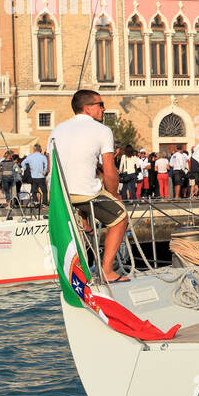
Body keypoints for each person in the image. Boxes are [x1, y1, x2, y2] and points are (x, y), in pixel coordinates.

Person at [48, 89, 129, 283]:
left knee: (85, 202)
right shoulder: (102, 130)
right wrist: (115, 195)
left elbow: (52, 165)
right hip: (84, 194)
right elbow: (110, 171)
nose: (104, 108)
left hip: (59, 195)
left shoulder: (57, 129)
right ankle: (107, 271)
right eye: (100, 104)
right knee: (120, 218)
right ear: (88, 108)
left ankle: (84, 222)